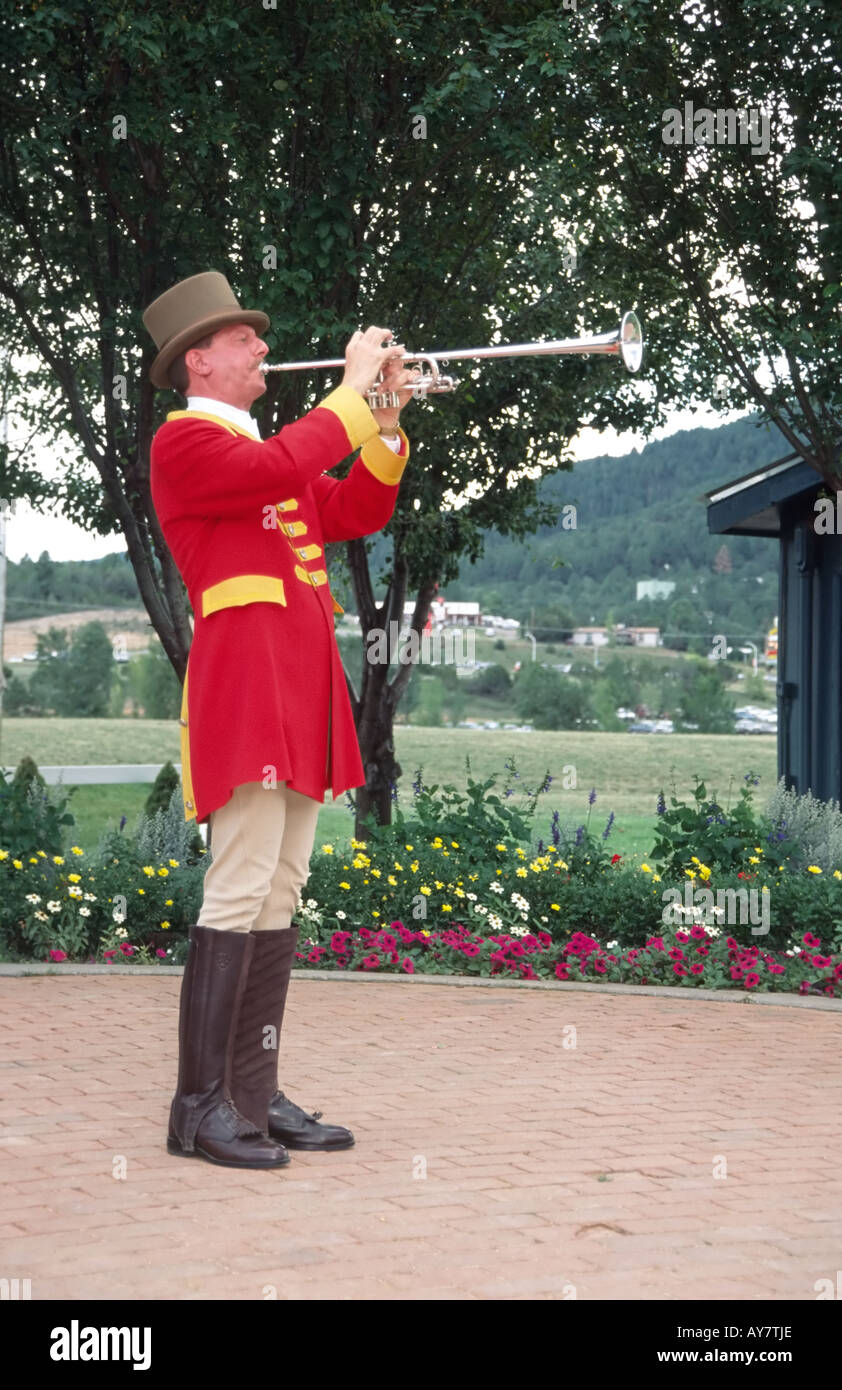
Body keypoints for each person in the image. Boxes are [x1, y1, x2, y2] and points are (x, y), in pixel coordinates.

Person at [143, 271, 415, 1168]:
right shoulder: (185, 443)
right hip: (245, 689)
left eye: (258, 336)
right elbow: (277, 469)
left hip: (294, 687)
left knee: (280, 886)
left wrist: (383, 423)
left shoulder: (267, 452)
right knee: (239, 884)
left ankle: (249, 1098)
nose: (261, 346)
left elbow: (352, 508)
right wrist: (348, 391)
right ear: (200, 361)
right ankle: (198, 1107)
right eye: (243, 337)